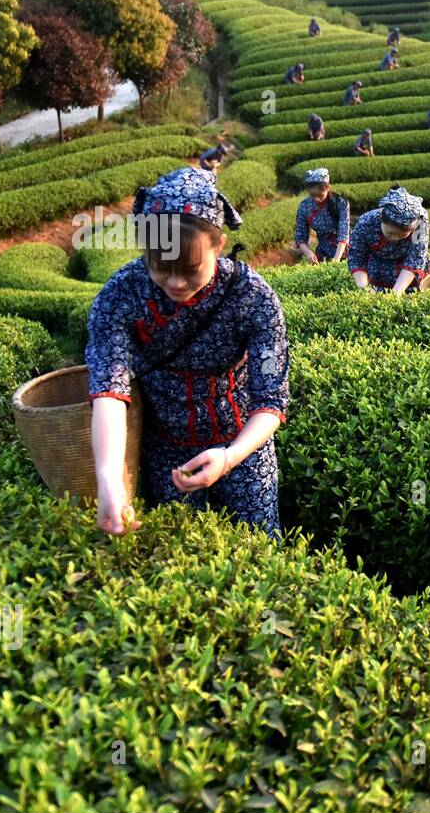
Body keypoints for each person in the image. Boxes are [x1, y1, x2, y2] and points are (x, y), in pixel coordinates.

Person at [87, 167, 290, 540]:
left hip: (243, 445)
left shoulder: (253, 297)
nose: (176, 283)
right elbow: (109, 390)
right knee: (178, 548)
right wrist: (109, 480)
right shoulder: (121, 295)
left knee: (260, 545)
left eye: (190, 269)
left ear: (219, 244)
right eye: (161, 268)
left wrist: (230, 456)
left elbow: (271, 400)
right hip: (166, 449)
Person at [347, 185, 430, 294]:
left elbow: (415, 258)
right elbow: (356, 258)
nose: (395, 238)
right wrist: (365, 289)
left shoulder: (420, 221)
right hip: (379, 268)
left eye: (402, 235)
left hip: (408, 273)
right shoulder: (366, 222)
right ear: (381, 221)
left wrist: (396, 294)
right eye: (391, 233)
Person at [293, 168, 350, 264]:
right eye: (312, 195)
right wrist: (308, 253)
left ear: (328, 188)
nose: (316, 199)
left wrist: (336, 260)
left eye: (320, 195)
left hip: (344, 250)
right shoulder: (304, 206)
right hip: (323, 250)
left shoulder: (340, 203)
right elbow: (300, 235)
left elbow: (343, 233)